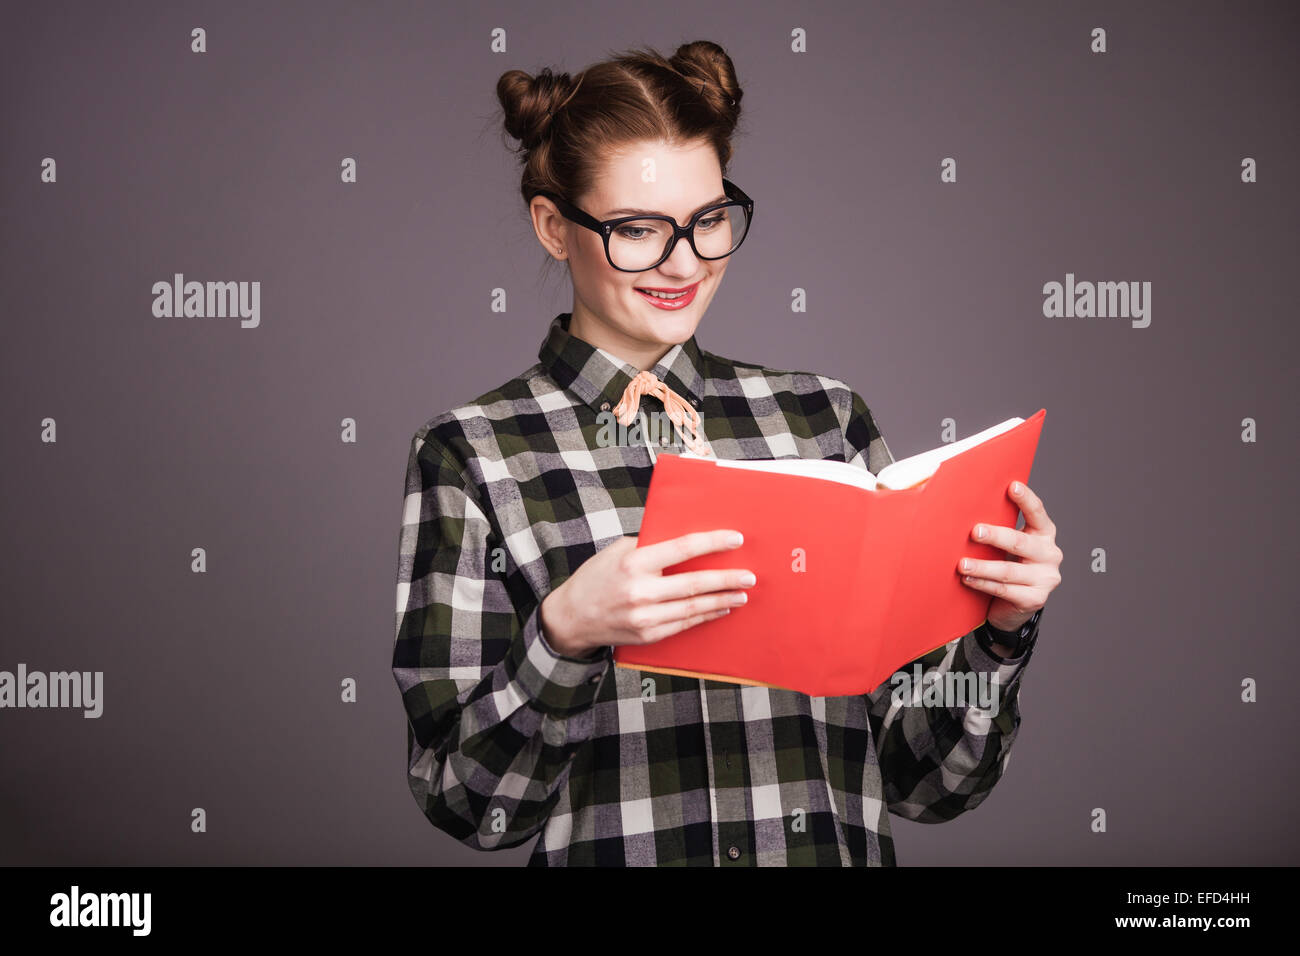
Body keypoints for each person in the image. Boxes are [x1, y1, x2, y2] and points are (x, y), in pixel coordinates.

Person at [391, 40, 1063, 866]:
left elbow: (926, 785)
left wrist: (997, 636)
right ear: (554, 226)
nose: (683, 263)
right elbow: (469, 807)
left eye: (709, 221)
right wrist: (563, 637)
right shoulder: (471, 454)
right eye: (638, 230)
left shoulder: (825, 420)